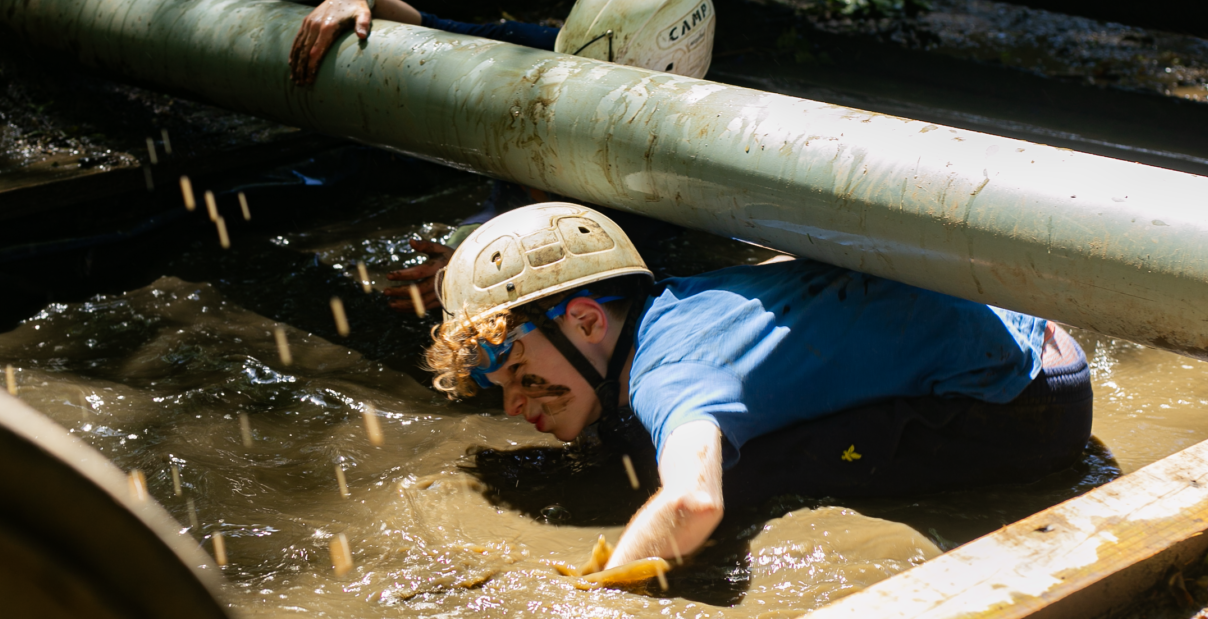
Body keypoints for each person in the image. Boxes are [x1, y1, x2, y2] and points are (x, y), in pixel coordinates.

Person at [427, 203, 1093, 572]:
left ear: (586, 320)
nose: (513, 404)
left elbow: (692, 503)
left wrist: (600, 588)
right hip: (1031, 334)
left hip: (1028, 405)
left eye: (519, 372)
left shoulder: (666, 377)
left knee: (744, 472)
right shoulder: (674, 302)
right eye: (496, 385)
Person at [287, 0, 716, 311]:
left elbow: (600, 263)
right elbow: (432, 31)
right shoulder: (540, 52)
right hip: (498, 225)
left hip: (603, 270)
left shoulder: (685, 146)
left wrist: (476, 270)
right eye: (576, 70)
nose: (579, 87)